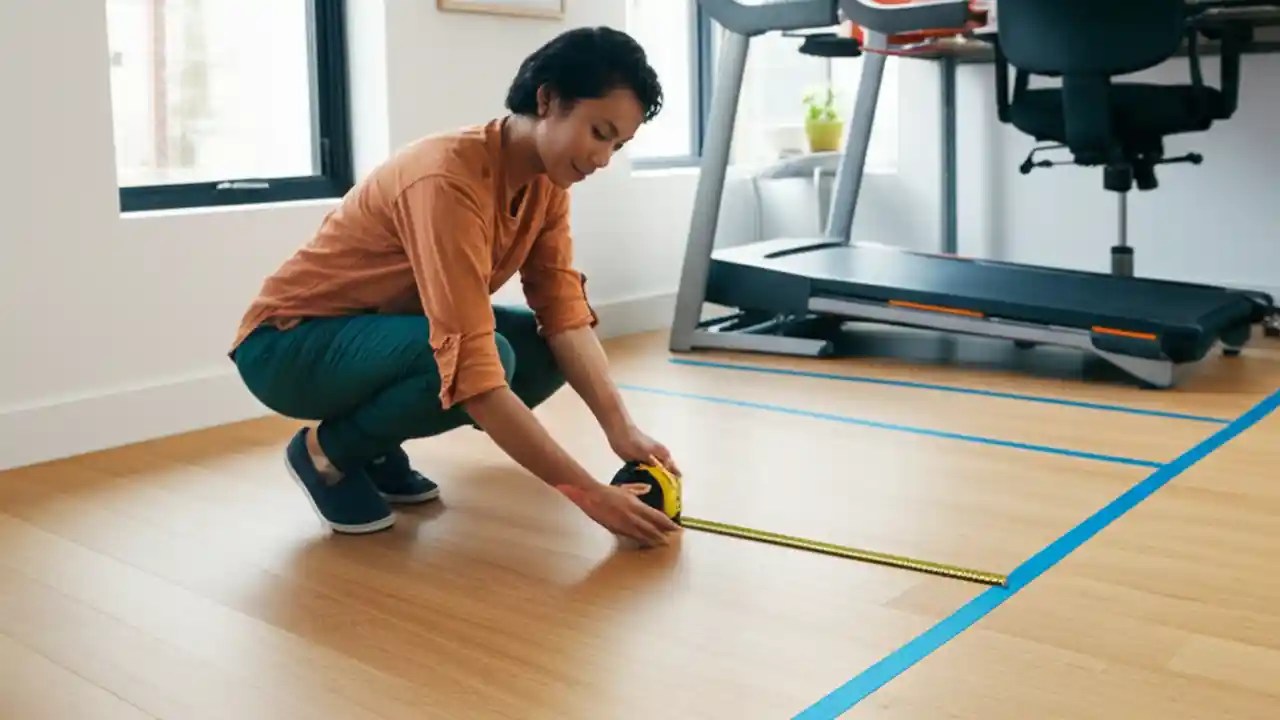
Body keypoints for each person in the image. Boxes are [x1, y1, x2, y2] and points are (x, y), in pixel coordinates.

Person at [228, 26, 682, 547]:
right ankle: (326, 455)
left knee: (542, 349)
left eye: (618, 145)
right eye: (600, 133)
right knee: (485, 358)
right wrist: (587, 494)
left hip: (376, 337)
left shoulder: (547, 181)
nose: (604, 159)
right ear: (549, 99)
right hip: (287, 347)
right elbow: (472, 372)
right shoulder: (446, 179)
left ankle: (374, 443)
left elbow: (564, 312)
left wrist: (620, 430)